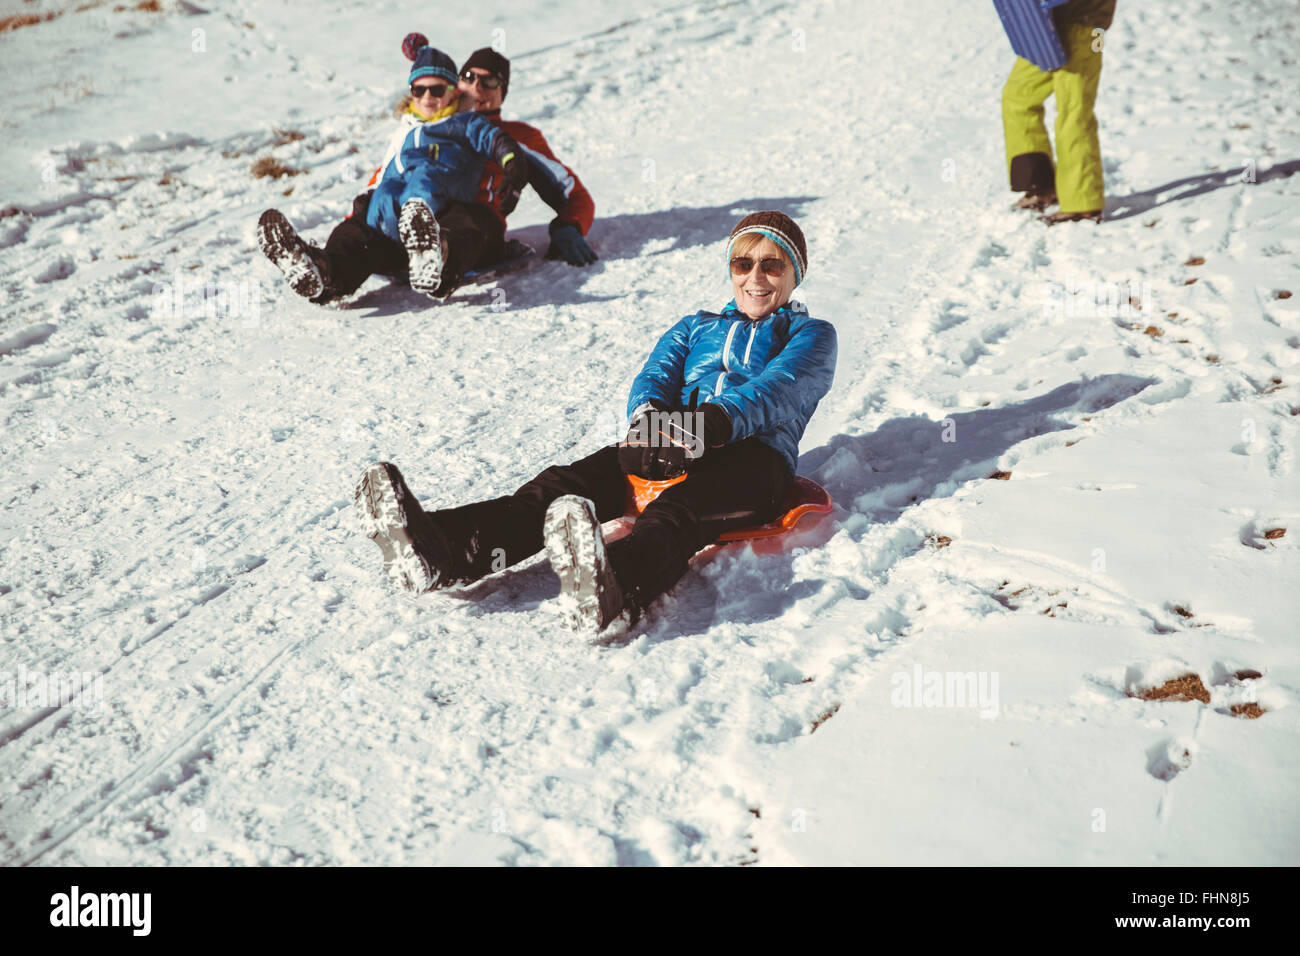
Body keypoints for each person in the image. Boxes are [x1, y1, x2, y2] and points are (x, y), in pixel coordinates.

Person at [352, 211, 837, 633]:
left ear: (795, 274)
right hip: (672, 438)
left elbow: (780, 389)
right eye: (743, 263)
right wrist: (649, 422)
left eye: (772, 265)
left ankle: (614, 587)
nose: (756, 277)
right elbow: (656, 374)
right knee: (560, 486)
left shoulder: (812, 334)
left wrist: (704, 426)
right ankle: (441, 550)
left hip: (754, 459)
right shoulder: (696, 325)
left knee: (676, 513)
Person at [257, 35, 529, 303]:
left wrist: (512, 163)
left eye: (436, 90)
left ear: (453, 91)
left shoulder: (466, 123)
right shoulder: (406, 130)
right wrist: (366, 203)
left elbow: (496, 141)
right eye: (419, 90)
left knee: (465, 226)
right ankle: (322, 270)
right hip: (397, 225)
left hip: (445, 208)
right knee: (357, 233)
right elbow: (387, 171)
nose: (427, 97)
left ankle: (439, 256)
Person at [455, 47, 598, 267]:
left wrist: (569, 225)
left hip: (477, 230)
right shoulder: (430, 126)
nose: (476, 87)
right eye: (468, 77)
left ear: (502, 92)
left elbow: (575, 194)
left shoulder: (517, 137)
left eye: (489, 81)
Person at [1001, 0, 1117, 223]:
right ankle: (1040, 183)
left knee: (1075, 111)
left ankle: (1082, 203)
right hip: (1047, 26)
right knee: (1017, 96)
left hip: (1089, 28)